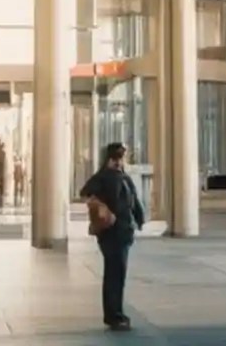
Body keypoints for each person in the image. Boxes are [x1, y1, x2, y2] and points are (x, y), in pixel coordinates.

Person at [80, 142, 145, 332]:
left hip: (124, 231)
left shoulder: (124, 177)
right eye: (115, 158)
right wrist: (101, 207)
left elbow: (133, 201)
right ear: (108, 159)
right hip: (110, 233)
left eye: (120, 158)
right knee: (114, 274)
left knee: (118, 273)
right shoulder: (103, 177)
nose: (118, 162)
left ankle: (116, 313)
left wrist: (139, 220)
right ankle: (113, 315)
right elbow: (86, 193)